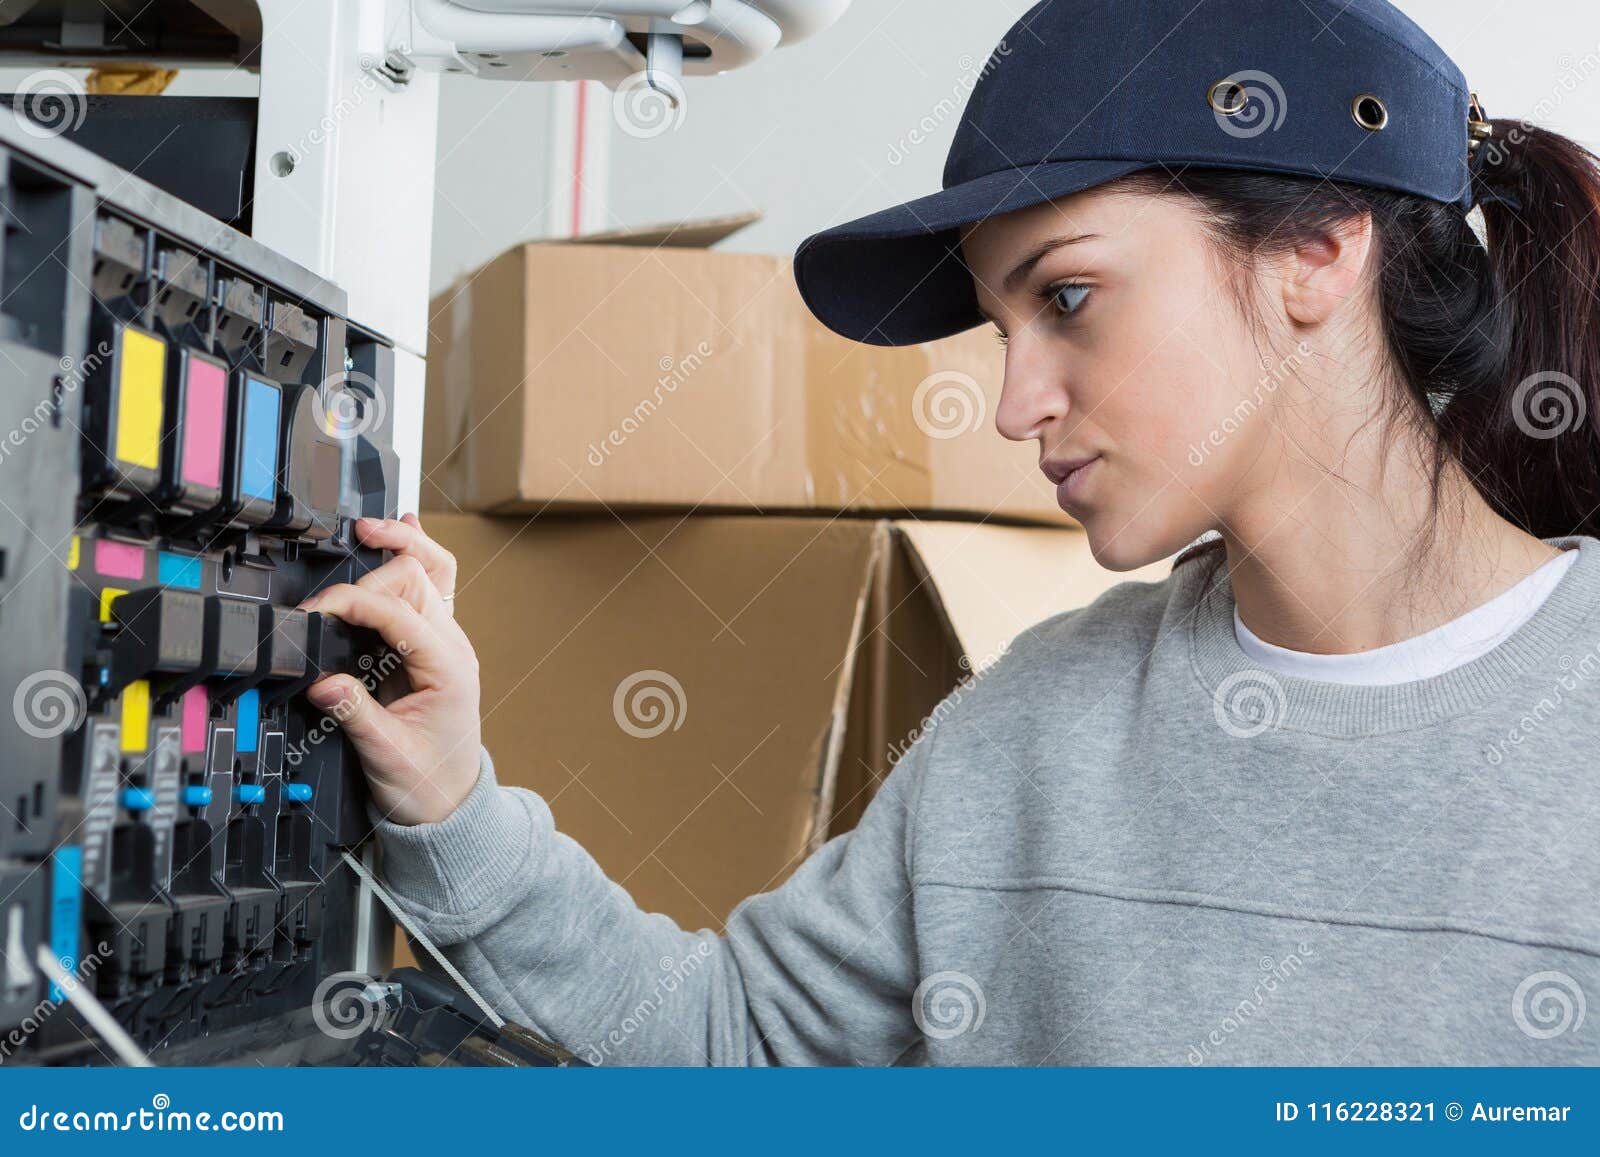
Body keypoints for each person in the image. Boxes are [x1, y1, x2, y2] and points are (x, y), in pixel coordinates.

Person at [300, 0, 1600, 1064]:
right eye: (1000, 323)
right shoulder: (1037, 721)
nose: (1014, 399)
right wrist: (451, 797)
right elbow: (731, 1045)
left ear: (1317, 251)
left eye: (1070, 294)